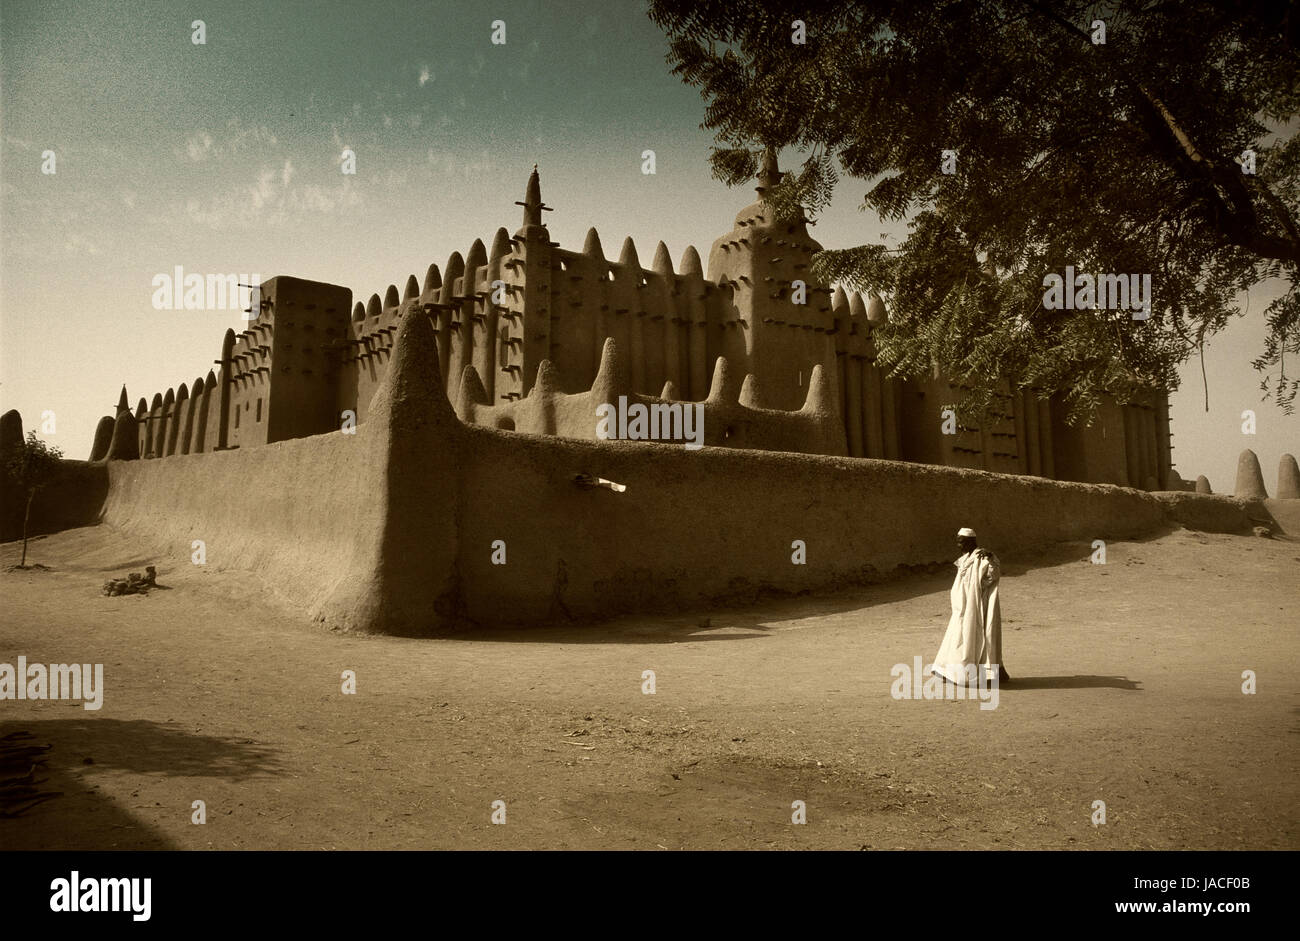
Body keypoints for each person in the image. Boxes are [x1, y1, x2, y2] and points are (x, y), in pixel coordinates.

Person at [932, 527, 1010, 687]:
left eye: (961, 542)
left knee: (976, 636)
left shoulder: (982, 557)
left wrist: (992, 559)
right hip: (961, 607)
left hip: (976, 606)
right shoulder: (965, 559)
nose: (958, 546)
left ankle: (981, 674)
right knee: (959, 636)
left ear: (970, 542)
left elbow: (992, 576)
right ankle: (952, 671)